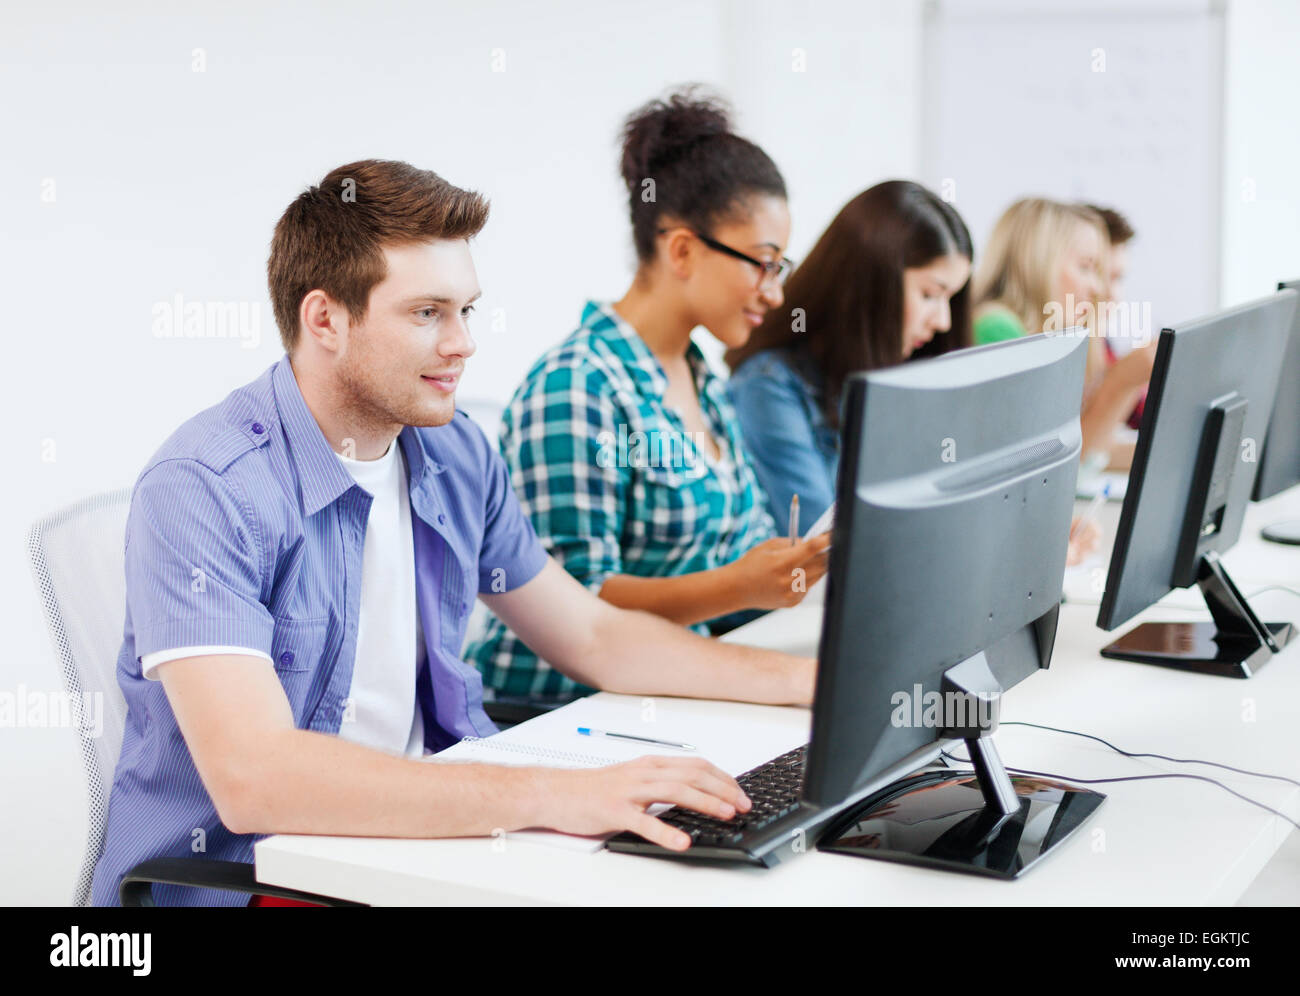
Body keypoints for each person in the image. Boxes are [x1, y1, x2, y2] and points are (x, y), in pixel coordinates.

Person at [90, 159, 818, 907]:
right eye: (427, 313)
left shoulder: (452, 452)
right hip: (257, 880)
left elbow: (595, 637)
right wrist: (551, 795)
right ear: (325, 320)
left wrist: (811, 686)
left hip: (419, 851)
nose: (464, 342)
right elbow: (256, 781)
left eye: (467, 309)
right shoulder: (206, 488)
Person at [463, 88, 830, 706]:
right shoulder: (576, 386)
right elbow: (578, 607)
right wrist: (739, 586)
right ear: (683, 249)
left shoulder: (702, 379)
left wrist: (783, 564)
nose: (774, 292)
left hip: (668, 693)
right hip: (556, 710)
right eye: (763, 264)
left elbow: (739, 546)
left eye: (781, 267)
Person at [724, 180, 973, 536]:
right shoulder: (768, 386)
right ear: (871, 288)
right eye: (930, 294)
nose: (943, 321)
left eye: (951, 298)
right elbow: (824, 546)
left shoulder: (899, 375)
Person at [971, 197, 1151, 469]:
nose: (1098, 289)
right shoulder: (996, 328)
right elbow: (1044, 463)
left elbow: (1084, 454)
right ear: (1040, 261)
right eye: (1086, 268)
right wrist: (1122, 379)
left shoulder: (1046, 339)